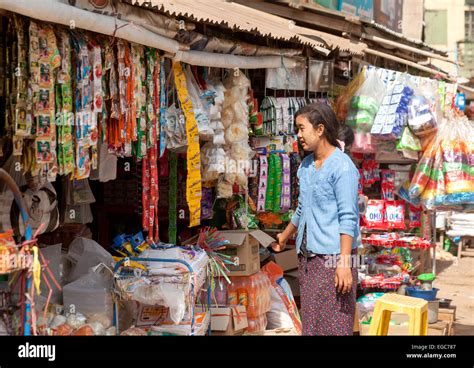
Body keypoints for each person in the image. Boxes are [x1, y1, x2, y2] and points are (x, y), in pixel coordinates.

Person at [272, 103, 360, 336]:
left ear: (320, 129)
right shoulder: (307, 165)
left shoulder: (343, 167)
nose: (298, 135)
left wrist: (344, 263)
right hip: (309, 259)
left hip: (333, 259)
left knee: (335, 326)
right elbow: (303, 208)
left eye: (302, 128)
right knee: (311, 326)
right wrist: (285, 235)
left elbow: (348, 217)